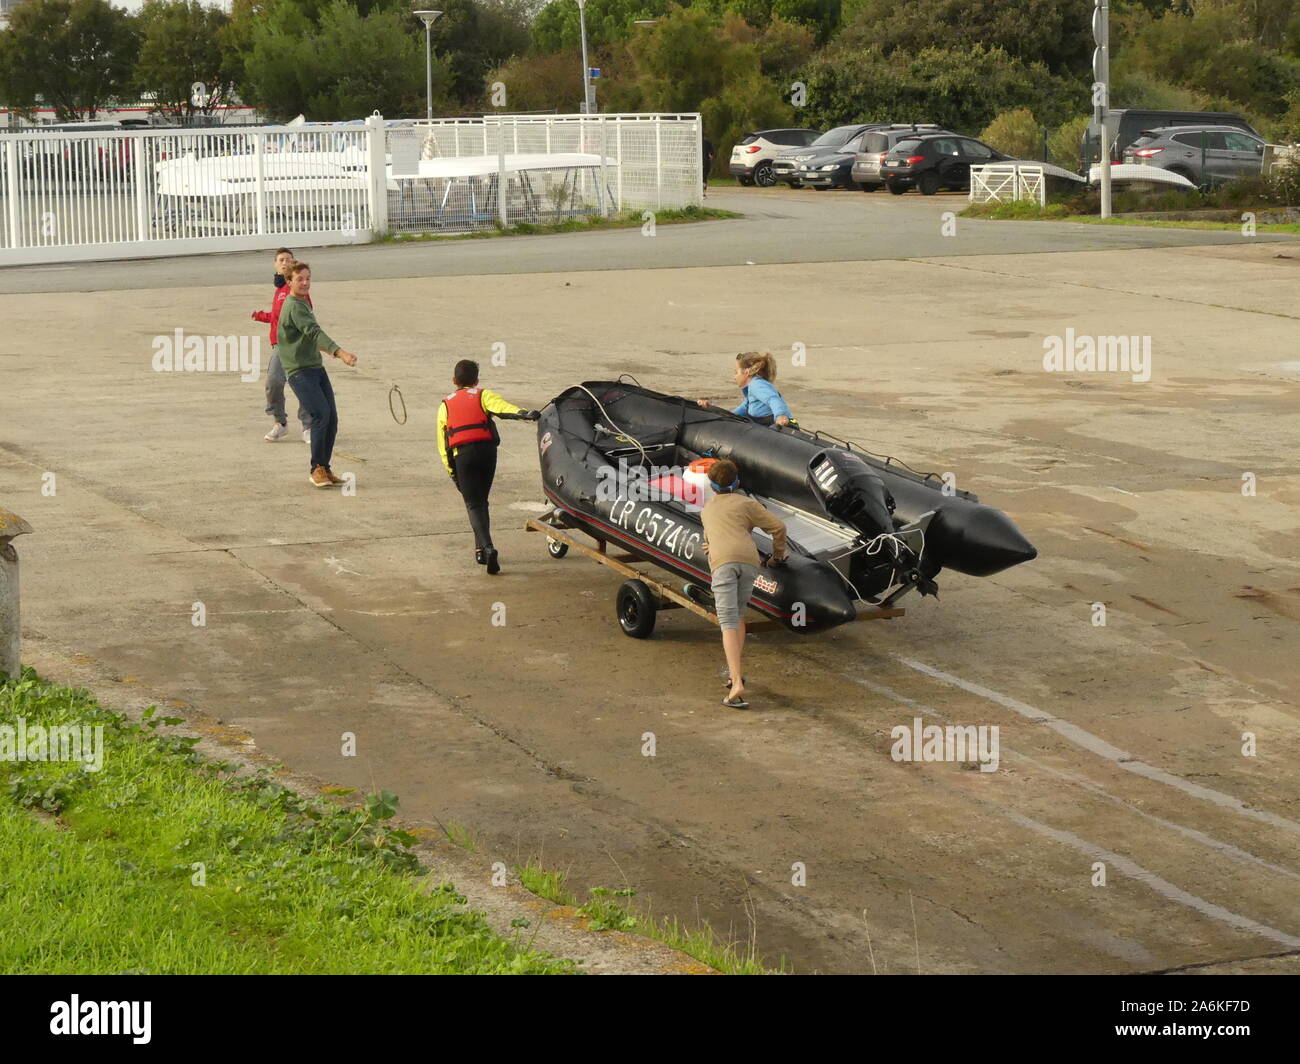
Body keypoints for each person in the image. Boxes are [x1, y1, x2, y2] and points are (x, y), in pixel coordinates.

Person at [700, 458, 788, 709]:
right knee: (738, 618)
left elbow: (709, 541)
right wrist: (777, 555)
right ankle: (733, 675)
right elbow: (778, 527)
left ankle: (737, 682)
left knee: (727, 622)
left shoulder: (706, 510)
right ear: (737, 482)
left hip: (723, 564)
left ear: (711, 485)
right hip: (749, 563)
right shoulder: (747, 503)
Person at [437, 360, 539, 574]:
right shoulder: (483, 395)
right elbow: (503, 409)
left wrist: (453, 473)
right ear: (476, 381)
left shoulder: (445, 405)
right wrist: (525, 413)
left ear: (454, 381)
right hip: (486, 453)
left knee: (474, 505)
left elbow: (442, 444)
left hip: (463, 456)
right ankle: (480, 550)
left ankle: (488, 547)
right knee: (481, 502)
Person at [277, 261, 358, 488]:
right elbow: (313, 332)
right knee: (321, 415)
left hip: (315, 368)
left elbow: (311, 337)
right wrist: (340, 352)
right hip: (299, 372)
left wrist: (332, 352)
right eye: (300, 279)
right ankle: (316, 469)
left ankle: (325, 466)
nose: (305, 283)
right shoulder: (293, 306)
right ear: (289, 281)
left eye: (308, 278)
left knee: (331, 418)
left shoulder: (302, 304)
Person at [251, 247, 311, 443]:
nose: (285, 262)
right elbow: (278, 317)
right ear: (276, 265)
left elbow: (304, 314)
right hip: (280, 345)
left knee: (302, 385)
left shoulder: (296, 287)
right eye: (281, 260)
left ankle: (308, 426)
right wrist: (262, 316)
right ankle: (280, 423)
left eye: (289, 259)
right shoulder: (279, 290)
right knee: (273, 383)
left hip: (298, 345)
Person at [699, 351, 795, 427]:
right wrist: (712, 410)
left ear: (747, 372)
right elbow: (736, 414)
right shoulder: (751, 395)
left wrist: (780, 416)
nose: (734, 377)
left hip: (784, 426)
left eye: (736, 372)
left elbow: (773, 399)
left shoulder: (757, 385)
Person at [702, 132, 715, 197]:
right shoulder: (708, 142)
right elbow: (712, 154)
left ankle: (699, 192)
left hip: (698, 162)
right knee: (704, 178)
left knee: (700, 178)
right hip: (706, 162)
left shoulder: (695, 142)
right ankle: (703, 193)